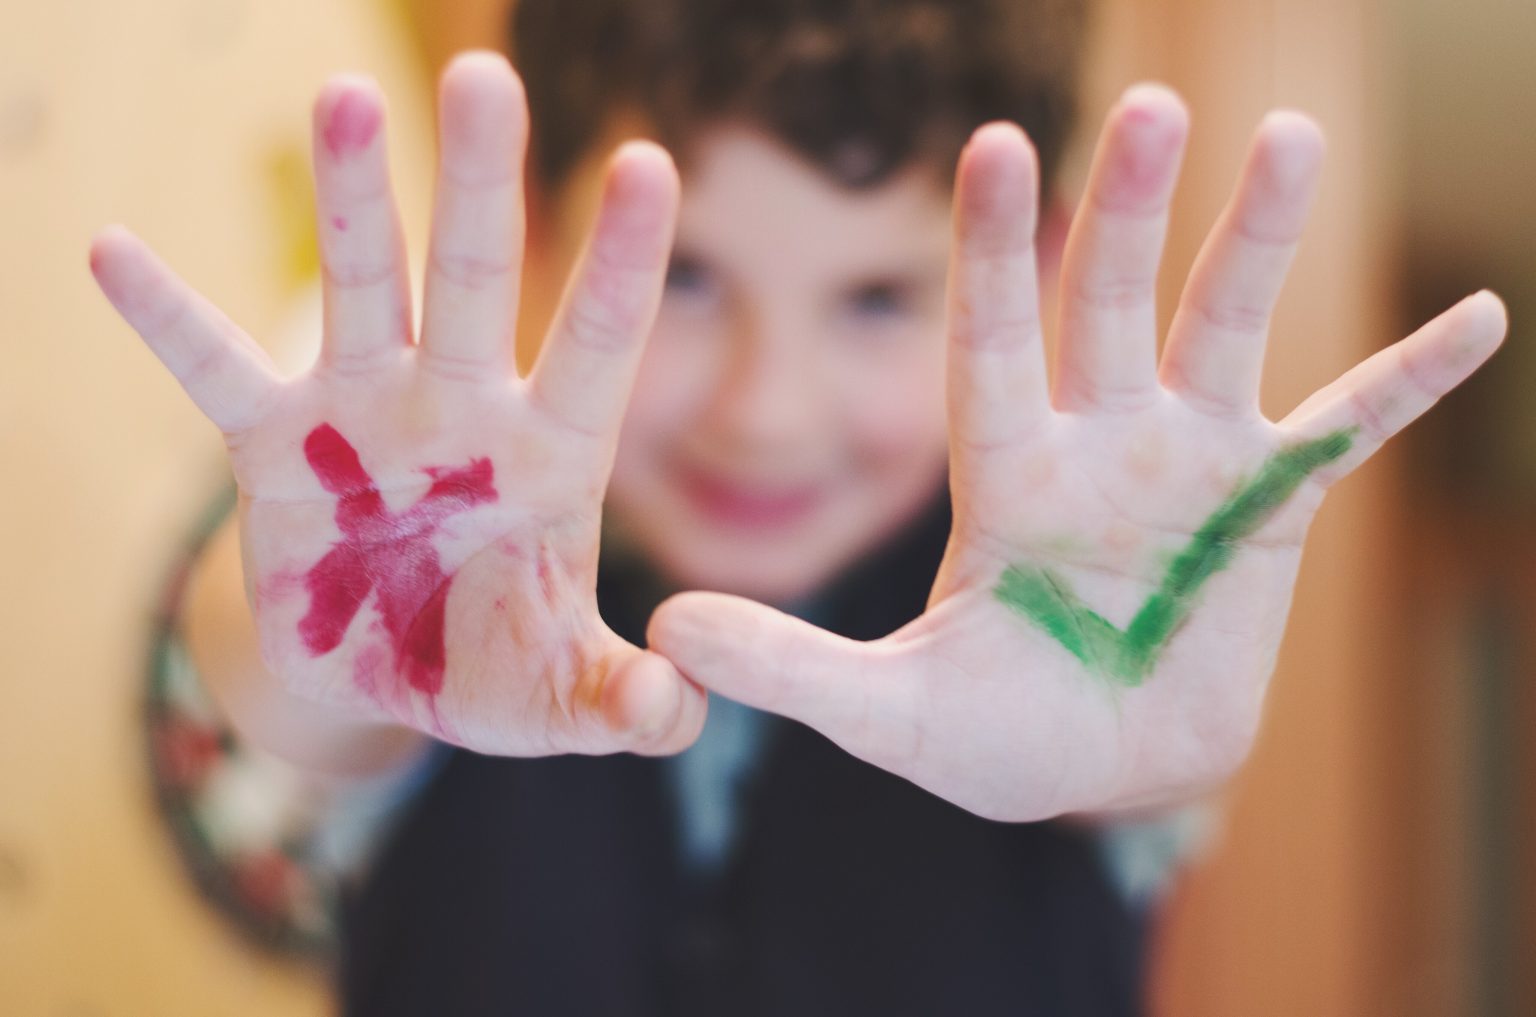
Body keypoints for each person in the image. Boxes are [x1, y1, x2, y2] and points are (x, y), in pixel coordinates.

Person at [88, 0, 1507, 1013]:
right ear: (535, 235)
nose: (768, 410)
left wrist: (1147, 753)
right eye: (685, 277)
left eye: (879, 297)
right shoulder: (458, 567)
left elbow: (1143, 765)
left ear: (1029, 267)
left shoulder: (1062, 600)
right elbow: (278, 704)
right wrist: (313, 638)